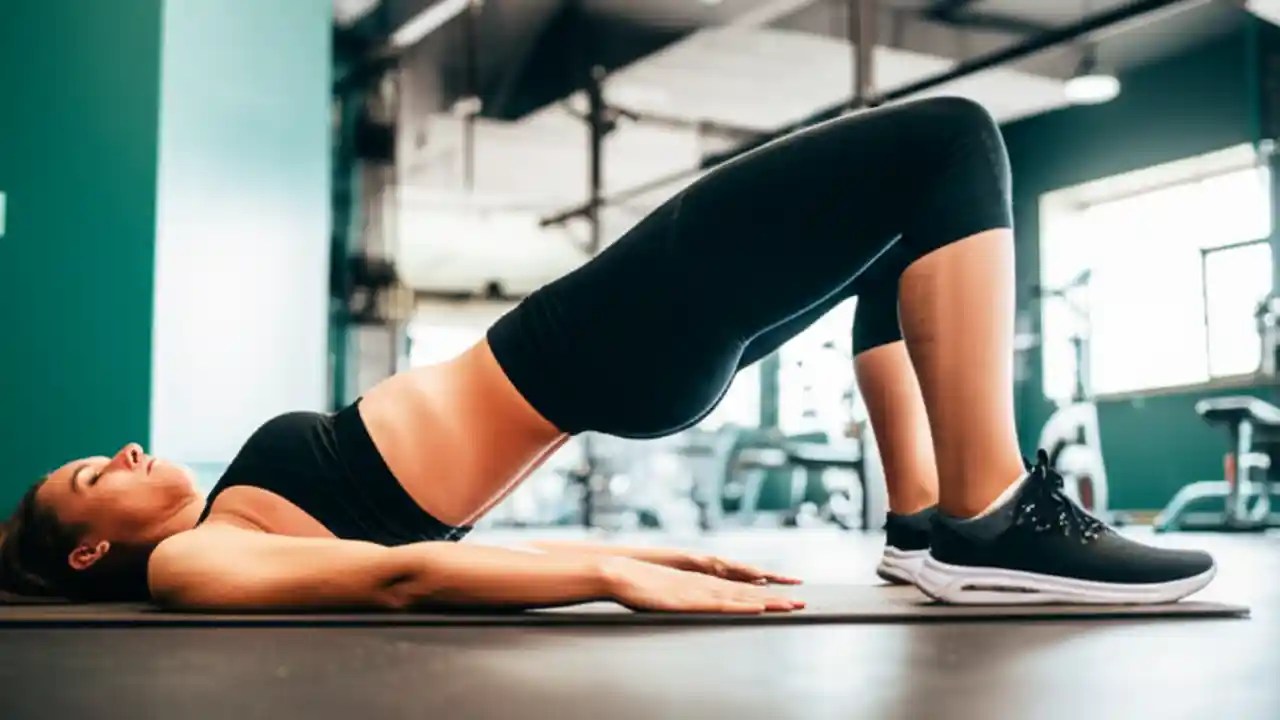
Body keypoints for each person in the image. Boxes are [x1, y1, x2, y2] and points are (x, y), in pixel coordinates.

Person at [0, 97, 1214, 612]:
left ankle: (922, 529)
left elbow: (400, 551)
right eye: (87, 479)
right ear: (95, 544)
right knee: (950, 138)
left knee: (910, 234)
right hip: (583, 345)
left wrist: (627, 551)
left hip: (598, 361)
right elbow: (402, 579)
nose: (114, 453)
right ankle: (991, 512)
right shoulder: (192, 567)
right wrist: (612, 570)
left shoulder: (229, 517)